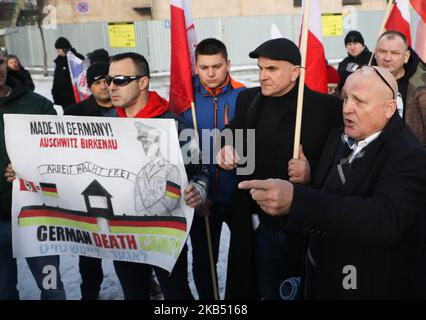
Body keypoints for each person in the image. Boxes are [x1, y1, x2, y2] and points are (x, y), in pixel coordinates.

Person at [239, 66, 426, 299]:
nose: (347, 108)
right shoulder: (341, 136)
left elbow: (383, 219)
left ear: (388, 108)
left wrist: (297, 200)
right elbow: (329, 192)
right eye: (345, 97)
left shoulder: (409, 154)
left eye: (359, 101)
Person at [216, 38, 343, 299]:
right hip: (260, 225)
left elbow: (345, 164)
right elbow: (232, 132)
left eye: (271, 69)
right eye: (260, 69)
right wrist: (225, 146)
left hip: (306, 227)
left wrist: (311, 171)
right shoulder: (248, 99)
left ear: (295, 72)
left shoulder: (326, 108)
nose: (263, 76)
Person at [106, 52, 209, 300]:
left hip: (165, 233)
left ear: (143, 82)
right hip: (122, 234)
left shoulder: (174, 126)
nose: (111, 87)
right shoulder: (105, 124)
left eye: (120, 79)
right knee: (134, 294)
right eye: (109, 80)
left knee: (176, 295)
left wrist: (199, 191)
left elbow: (200, 171)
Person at [0, 40, 65, 300]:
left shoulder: (37, 105)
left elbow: (62, 156)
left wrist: (31, 168)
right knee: (3, 295)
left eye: (0, 61)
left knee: (53, 289)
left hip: (39, 221)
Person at [180, 38, 246, 299]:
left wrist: (238, 155)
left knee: (242, 259)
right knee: (204, 261)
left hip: (237, 193)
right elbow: (179, 152)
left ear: (227, 63)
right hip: (202, 199)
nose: (210, 73)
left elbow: (252, 143)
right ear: (195, 66)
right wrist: (198, 191)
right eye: (203, 67)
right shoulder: (185, 99)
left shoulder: (244, 95)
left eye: (217, 66)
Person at [64, 61, 114, 300]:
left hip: (123, 191)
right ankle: (90, 292)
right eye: (97, 82)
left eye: (108, 80)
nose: (104, 86)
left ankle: (147, 282)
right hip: (89, 192)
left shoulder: (129, 108)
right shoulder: (74, 113)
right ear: (90, 86)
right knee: (90, 250)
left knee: (135, 243)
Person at [374, 30, 426, 146]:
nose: (387, 58)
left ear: (406, 56)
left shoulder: (422, 88)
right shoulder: (359, 84)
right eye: (382, 51)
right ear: (375, 53)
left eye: (395, 53)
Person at [51, 37, 85, 109]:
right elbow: (57, 79)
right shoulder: (59, 60)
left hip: (75, 96)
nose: (57, 51)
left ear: (63, 48)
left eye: (58, 49)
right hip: (64, 98)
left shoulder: (77, 59)